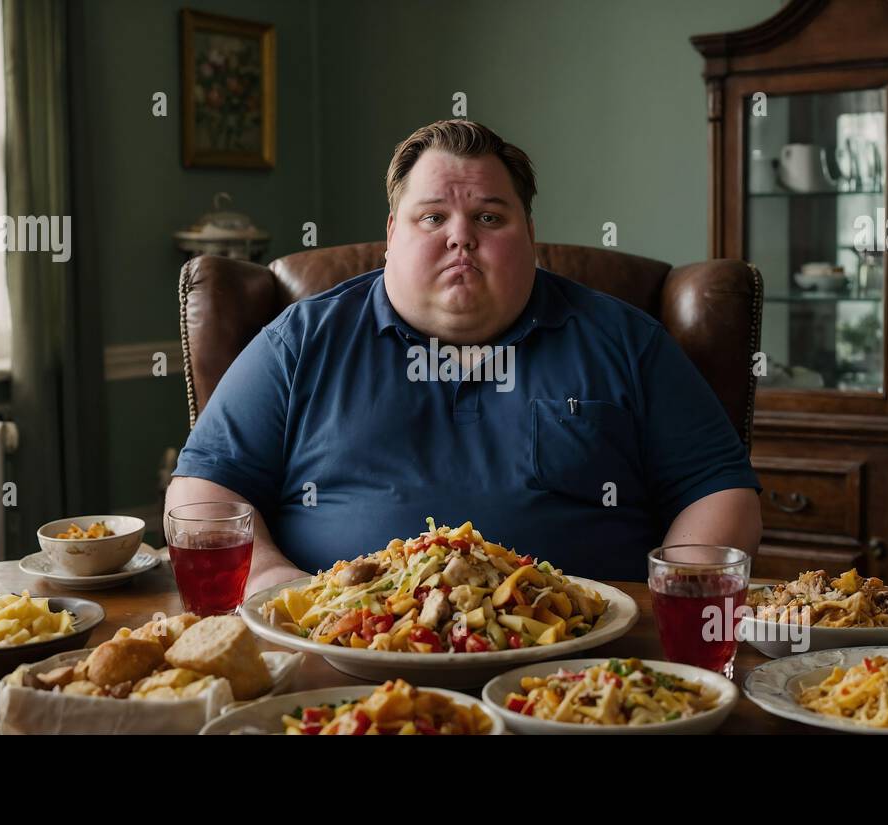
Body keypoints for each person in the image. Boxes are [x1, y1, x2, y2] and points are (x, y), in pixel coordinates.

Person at [167, 119, 761, 596]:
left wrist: (677, 604)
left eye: (488, 217)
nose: (461, 236)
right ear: (392, 233)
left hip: (581, 661)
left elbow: (719, 490)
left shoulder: (627, 340)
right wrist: (274, 585)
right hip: (345, 651)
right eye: (432, 217)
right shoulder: (300, 341)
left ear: (529, 232)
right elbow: (202, 489)